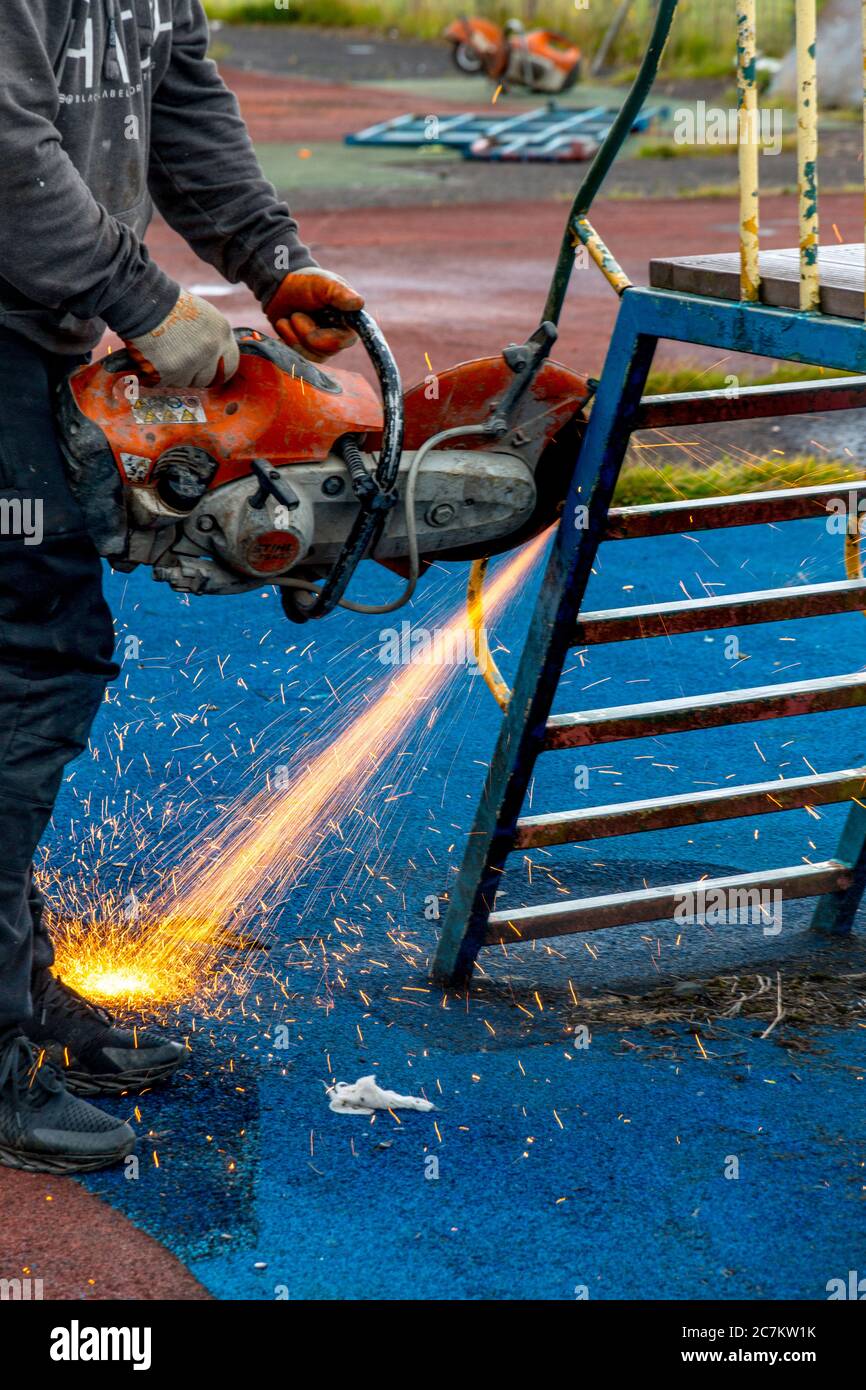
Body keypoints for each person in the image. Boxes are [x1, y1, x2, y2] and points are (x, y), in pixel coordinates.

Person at [0, 0, 364, 1173]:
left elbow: (178, 90)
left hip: (42, 327)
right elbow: (4, 148)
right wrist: (147, 303)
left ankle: (17, 984)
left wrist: (272, 257)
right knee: (26, 664)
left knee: (34, 655)